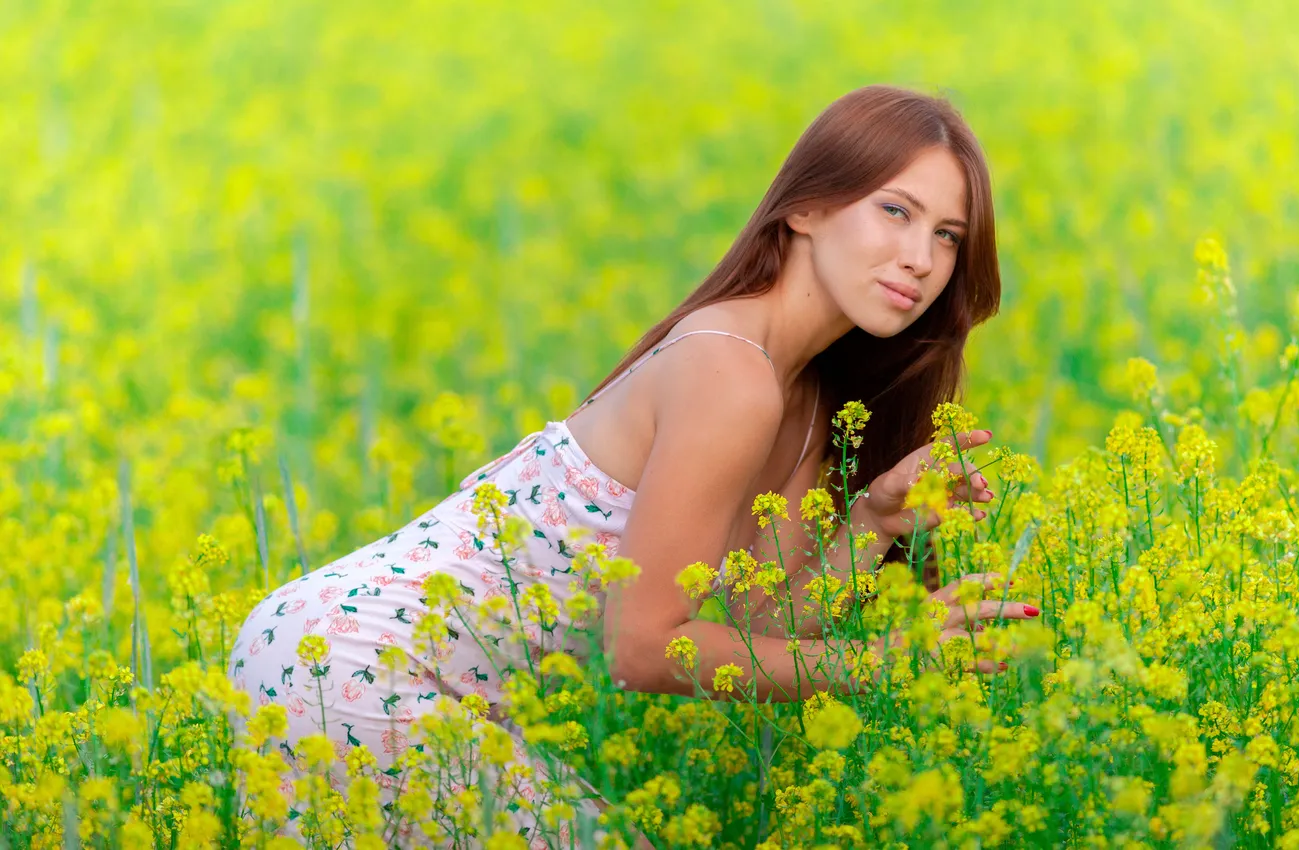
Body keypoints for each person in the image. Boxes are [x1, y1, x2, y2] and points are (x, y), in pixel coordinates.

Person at [227, 83, 1039, 847]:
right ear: (807, 209)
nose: (921, 260)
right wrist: (887, 663)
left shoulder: (806, 406)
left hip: (384, 671)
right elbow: (646, 648)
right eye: (895, 211)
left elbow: (753, 638)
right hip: (351, 662)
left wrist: (870, 523)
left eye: (946, 237)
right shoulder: (731, 373)